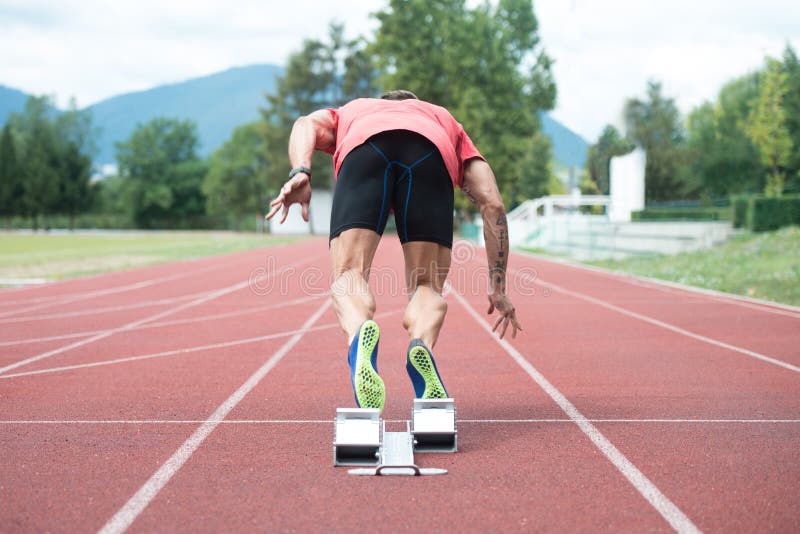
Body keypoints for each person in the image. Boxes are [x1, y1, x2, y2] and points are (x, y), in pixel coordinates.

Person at [265, 90, 522, 413]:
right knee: (427, 285)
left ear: (384, 101)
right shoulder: (442, 120)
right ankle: (421, 345)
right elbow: (493, 204)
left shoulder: (354, 111)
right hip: (430, 153)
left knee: (349, 275)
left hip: (365, 148)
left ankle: (360, 333)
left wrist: (300, 170)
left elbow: (305, 124)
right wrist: (497, 286)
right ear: (413, 103)